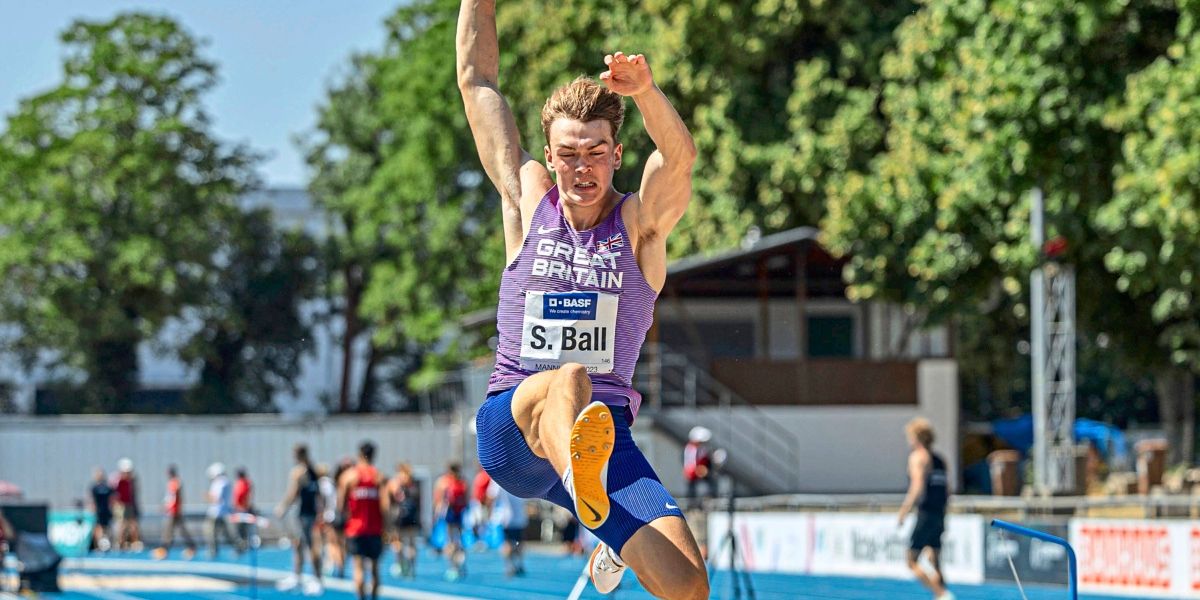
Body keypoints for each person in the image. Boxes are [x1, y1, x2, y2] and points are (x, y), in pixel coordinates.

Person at [457, 0, 707, 596]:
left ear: (616, 155)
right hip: (513, 432)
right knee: (569, 376)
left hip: (603, 435)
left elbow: (680, 159)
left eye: (596, 151)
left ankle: (602, 515)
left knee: (688, 585)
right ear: (550, 156)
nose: (582, 166)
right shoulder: (526, 203)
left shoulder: (639, 228)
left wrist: (645, 91)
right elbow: (477, 80)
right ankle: (597, 512)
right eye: (568, 153)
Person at [897, 417, 955, 600]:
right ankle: (942, 593)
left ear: (915, 437)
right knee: (934, 559)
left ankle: (942, 594)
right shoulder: (940, 459)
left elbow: (917, 486)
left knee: (911, 560)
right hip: (939, 513)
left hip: (926, 513)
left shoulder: (918, 457)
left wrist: (904, 511)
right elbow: (947, 490)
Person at [338, 441, 387, 600]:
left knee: (358, 568)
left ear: (359, 454)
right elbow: (385, 507)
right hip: (374, 529)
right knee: (374, 569)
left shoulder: (348, 476)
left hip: (355, 529)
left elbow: (340, 506)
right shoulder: (379, 477)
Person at [276, 445, 324, 595]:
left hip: (305, 514)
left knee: (309, 546)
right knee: (301, 545)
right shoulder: (314, 469)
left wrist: (282, 507)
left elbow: (293, 493)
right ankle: (300, 576)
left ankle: (314, 578)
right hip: (312, 513)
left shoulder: (299, 472)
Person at [432, 463, 468, 581]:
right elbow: (466, 501)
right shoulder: (463, 483)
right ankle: (459, 562)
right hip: (459, 515)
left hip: (450, 514)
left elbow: (440, 501)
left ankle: (452, 566)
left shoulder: (445, 483)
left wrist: (436, 516)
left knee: (450, 542)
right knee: (458, 541)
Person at [486, 479, 528, 577]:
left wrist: (489, 512)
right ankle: (519, 564)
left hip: (507, 517)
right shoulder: (519, 476)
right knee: (519, 542)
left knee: (507, 543)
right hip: (519, 516)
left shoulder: (497, 478)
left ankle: (510, 565)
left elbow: (491, 496)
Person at [153, 465, 197, 560]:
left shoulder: (175, 482)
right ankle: (191, 546)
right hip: (174, 510)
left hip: (173, 511)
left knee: (168, 531)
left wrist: (168, 507)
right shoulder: (173, 482)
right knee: (179, 530)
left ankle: (164, 550)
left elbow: (173, 497)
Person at [386, 462, 421, 579]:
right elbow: (418, 502)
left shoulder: (395, 482)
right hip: (412, 517)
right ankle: (412, 568)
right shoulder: (413, 483)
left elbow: (388, 501)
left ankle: (400, 565)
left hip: (398, 517)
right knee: (411, 544)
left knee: (397, 543)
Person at [205, 462, 239, 559]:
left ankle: (214, 551)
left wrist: (207, 496)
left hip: (218, 512)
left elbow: (217, 498)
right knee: (225, 533)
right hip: (221, 512)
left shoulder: (222, 482)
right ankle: (236, 547)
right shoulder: (222, 482)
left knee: (212, 533)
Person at [113, 458, 142, 551]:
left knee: (133, 524)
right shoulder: (118, 481)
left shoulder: (132, 481)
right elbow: (116, 495)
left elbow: (133, 493)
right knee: (122, 524)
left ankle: (135, 542)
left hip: (130, 505)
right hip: (121, 506)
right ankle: (120, 543)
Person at [683, 426, 715, 507]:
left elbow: (706, 461)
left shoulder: (703, 449)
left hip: (701, 471)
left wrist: (704, 469)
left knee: (711, 483)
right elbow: (689, 464)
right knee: (692, 487)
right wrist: (697, 470)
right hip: (693, 472)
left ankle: (709, 499)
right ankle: (692, 504)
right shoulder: (690, 449)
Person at [89, 468, 114, 552]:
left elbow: (112, 499)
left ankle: (105, 545)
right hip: (100, 510)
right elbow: (92, 500)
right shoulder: (95, 488)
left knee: (106, 528)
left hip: (105, 510)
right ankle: (98, 545)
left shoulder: (107, 487)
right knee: (99, 528)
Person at [232, 468, 254, 550]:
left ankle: (242, 548)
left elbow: (240, 496)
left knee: (241, 531)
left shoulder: (242, 483)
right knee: (243, 531)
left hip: (241, 510)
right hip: (243, 509)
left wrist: (240, 506)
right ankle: (243, 546)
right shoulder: (246, 483)